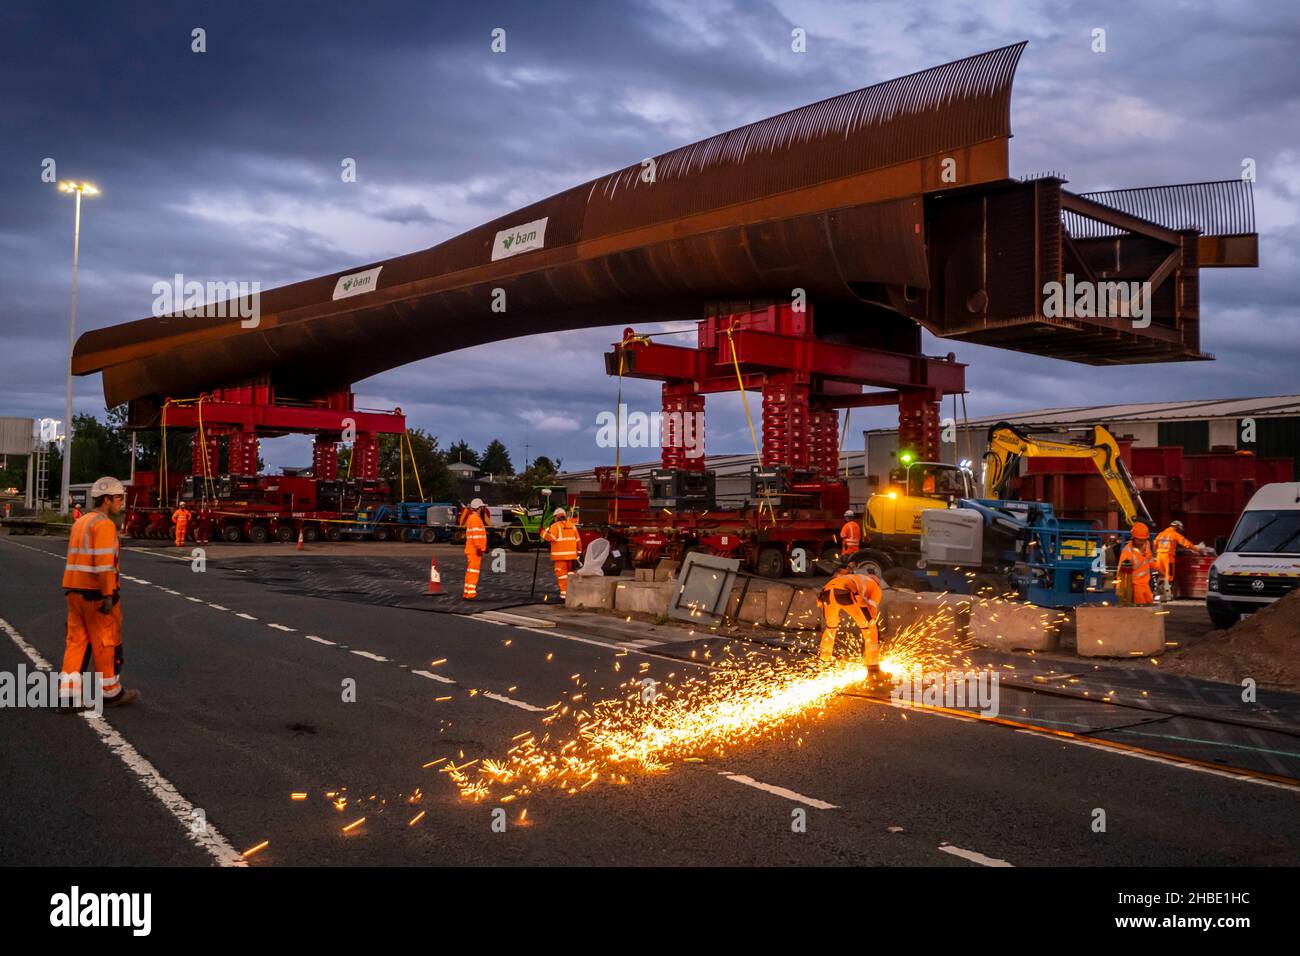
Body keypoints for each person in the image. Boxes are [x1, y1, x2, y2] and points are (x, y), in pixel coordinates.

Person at [59, 476, 139, 710]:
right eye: (118, 499)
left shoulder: (81, 522)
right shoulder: (104, 525)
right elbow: (104, 565)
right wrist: (107, 595)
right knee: (105, 642)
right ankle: (110, 692)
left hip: (74, 590)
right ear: (106, 499)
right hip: (95, 593)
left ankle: (68, 696)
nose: (121, 503)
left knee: (76, 643)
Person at [817, 559, 887, 682]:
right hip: (845, 592)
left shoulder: (859, 578)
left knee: (831, 628)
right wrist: (872, 626)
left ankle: (824, 664)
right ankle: (874, 671)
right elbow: (871, 614)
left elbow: (820, 601)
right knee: (870, 629)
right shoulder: (876, 588)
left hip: (825, 593)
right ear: (878, 582)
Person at [540, 507, 581, 598]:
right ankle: (573, 595)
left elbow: (551, 538)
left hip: (561, 558)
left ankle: (564, 596)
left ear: (556, 517)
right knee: (571, 576)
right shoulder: (572, 526)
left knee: (562, 577)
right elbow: (578, 540)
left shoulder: (555, 526)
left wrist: (542, 532)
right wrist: (578, 553)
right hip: (572, 558)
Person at [1117, 522, 1157, 606]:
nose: (1142, 542)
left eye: (1144, 539)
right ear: (1133, 538)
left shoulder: (1146, 544)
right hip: (1135, 585)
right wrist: (1119, 588)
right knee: (1141, 608)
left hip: (1145, 584)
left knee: (1150, 605)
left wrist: (1160, 569)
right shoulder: (1127, 552)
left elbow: (1149, 559)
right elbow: (1121, 572)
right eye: (1140, 540)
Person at [460, 498, 488, 600]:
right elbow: (477, 536)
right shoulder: (475, 519)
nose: (483, 509)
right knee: (473, 572)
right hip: (475, 550)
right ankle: (471, 593)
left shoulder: (472, 518)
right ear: (479, 508)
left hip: (472, 549)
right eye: (482, 507)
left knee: (470, 571)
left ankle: (467, 592)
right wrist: (480, 548)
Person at [1154, 520, 1197, 585]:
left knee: (1160, 575)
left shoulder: (1161, 534)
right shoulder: (1175, 534)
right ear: (1176, 527)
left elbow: (1154, 544)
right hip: (1168, 557)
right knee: (1169, 576)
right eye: (1179, 530)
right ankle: (1167, 592)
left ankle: (1159, 592)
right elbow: (1186, 543)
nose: (1180, 531)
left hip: (1159, 557)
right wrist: (1197, 549)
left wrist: (1156, 553)